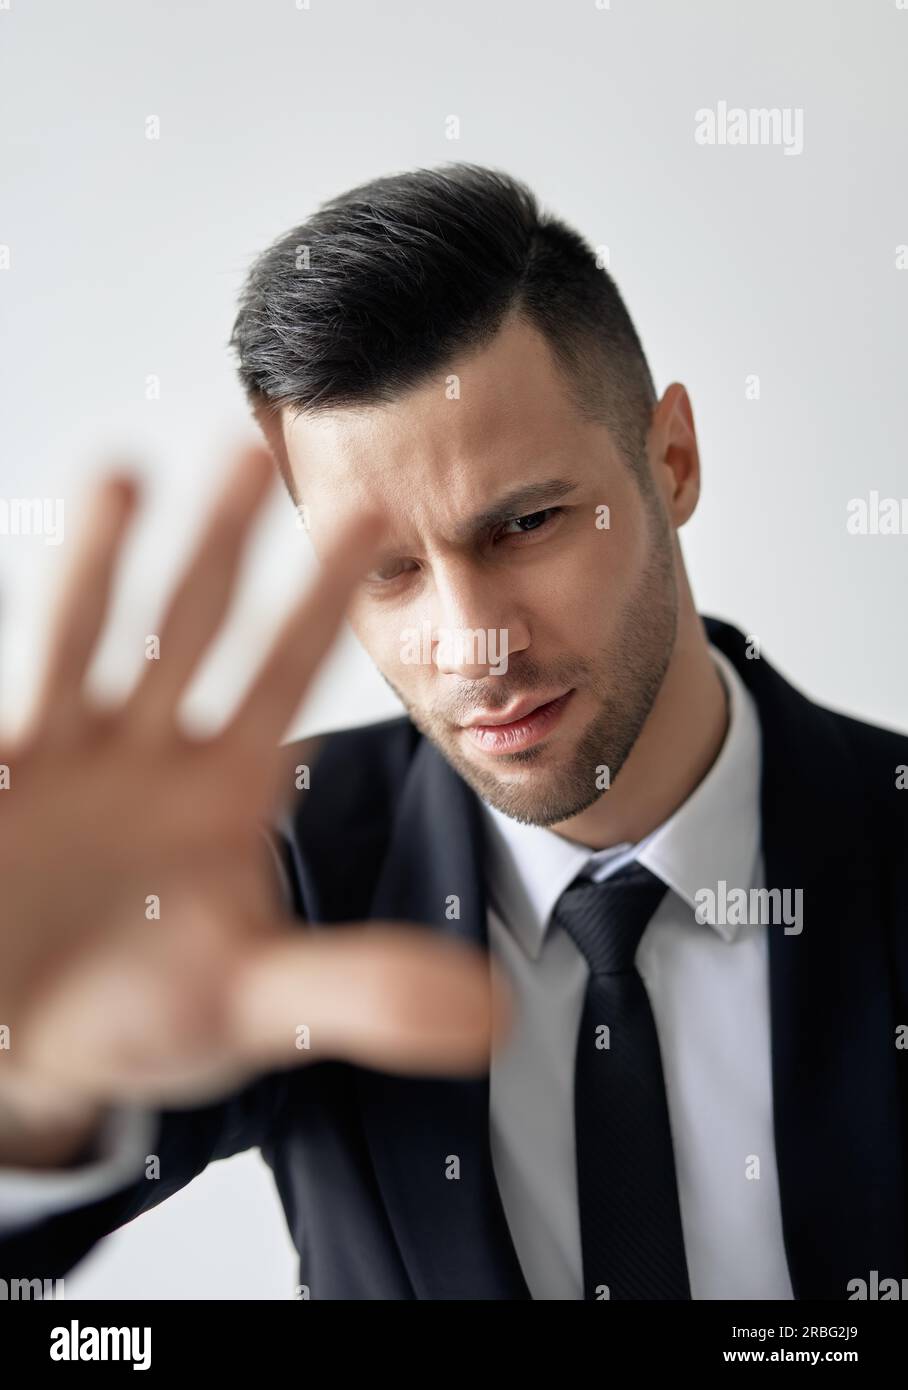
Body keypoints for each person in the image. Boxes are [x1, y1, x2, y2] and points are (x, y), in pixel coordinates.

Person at [1, 164, 905, 1301]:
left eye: (524, 524)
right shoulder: (265, 864)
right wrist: (37, 1095)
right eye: (386, 569)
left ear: (669, 460)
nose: (471, 643)